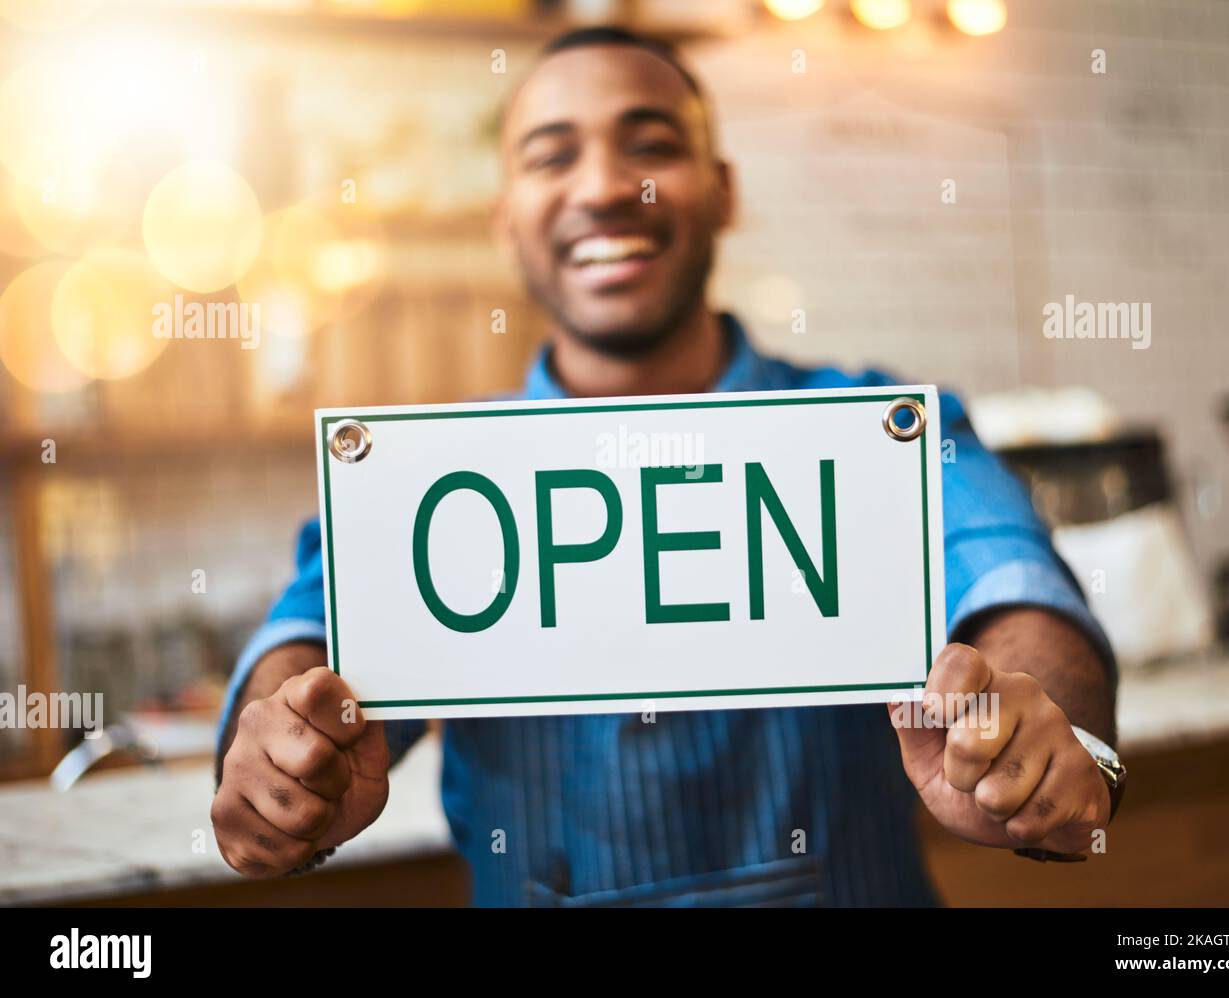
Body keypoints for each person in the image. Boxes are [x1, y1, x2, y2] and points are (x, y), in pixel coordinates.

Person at [211, 26, 1121, 906]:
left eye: (649, 145)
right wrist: (285, 748)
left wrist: (1044, 732)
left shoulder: (869, 427)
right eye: (550, 156)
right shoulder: (426, 472)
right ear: (505, 219)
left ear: (724, 191)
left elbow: (1010, 581)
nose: (605, 187)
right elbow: (319, 627)